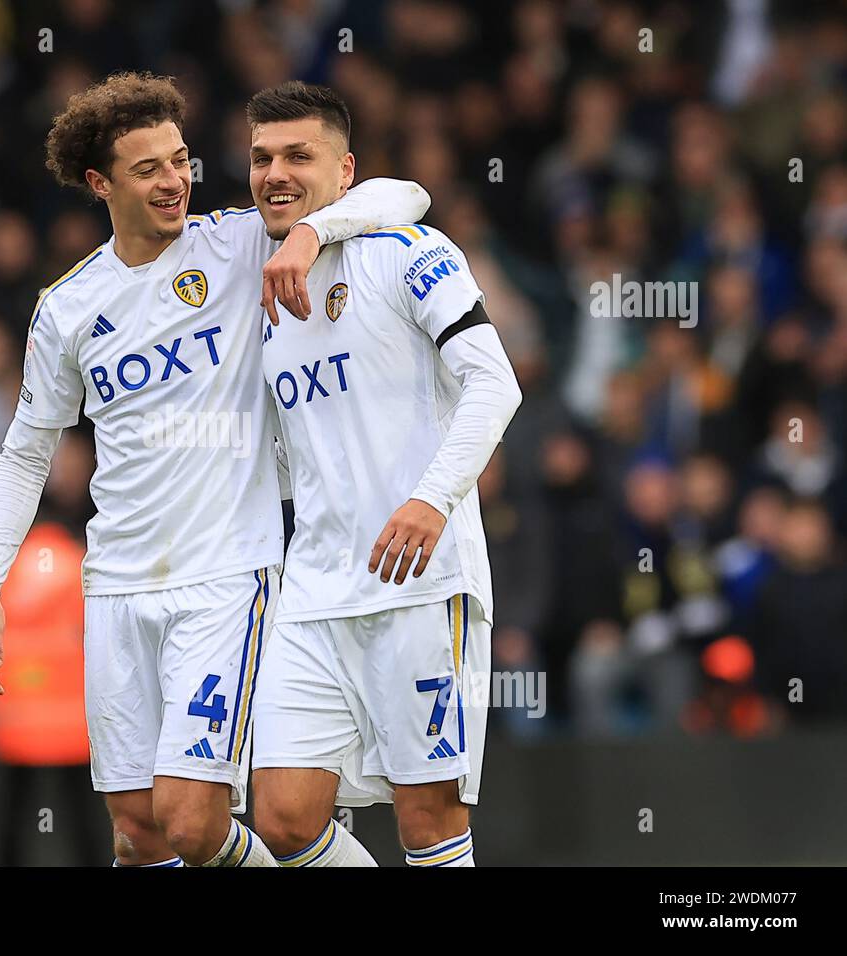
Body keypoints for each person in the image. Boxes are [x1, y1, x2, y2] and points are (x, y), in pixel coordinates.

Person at [0, 71, 431, 867]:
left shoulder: (239, 240)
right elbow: (27, 448)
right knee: (139, 831)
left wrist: (312, 236)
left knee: (189, 820)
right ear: (98, 182)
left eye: (181, 161)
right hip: (115, 586)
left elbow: (407, 197)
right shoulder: (70, 307)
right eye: (148, 169)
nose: (175, 181)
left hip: (227, 576)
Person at [248, 82, 523, 867]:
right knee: (283, 816)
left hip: (420, 584)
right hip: (314, 588)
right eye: (262, 158)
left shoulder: (410, 252)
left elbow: (496, 384)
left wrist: (432, 500)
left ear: (346, 171)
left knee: (427, 823)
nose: (276, 174)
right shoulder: (258, 287)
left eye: (300, 156)